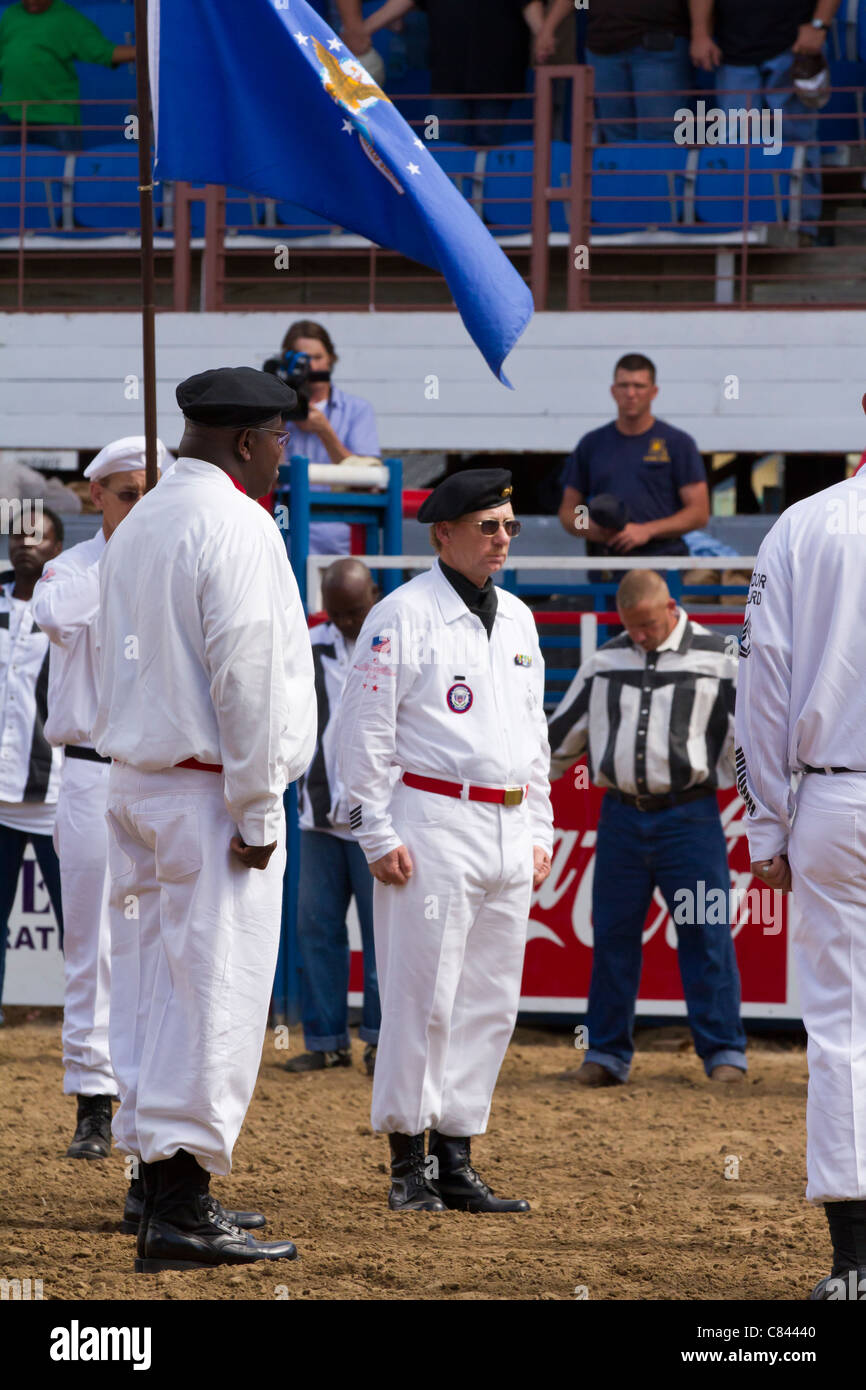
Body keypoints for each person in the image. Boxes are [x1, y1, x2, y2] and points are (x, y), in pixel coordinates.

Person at [93, 367, 316, 1273]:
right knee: (212, 995)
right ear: (244, 440)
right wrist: (260, 808)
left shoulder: (141, 517)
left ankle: (153, 1185)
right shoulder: (238, 522)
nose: (282, 457)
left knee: (151, 989)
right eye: (279, 440)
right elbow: (249, 677)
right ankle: (181, 1207)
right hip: (206, 793)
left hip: (137, 780)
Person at [340, 467, 553, 1213]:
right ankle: (408, 1163)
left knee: (490, 999)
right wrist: (374, 830)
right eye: (488, 526)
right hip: (431, 818)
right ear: (444, 533)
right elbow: (360, 734)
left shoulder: (520, 619)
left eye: (510, 526)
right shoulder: (401, 615)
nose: (502, 539)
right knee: (420, 997)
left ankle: (457, 1155)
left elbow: (535, 738)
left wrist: (540, 825)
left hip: (505, 820)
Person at [734, 393, 866, 1298]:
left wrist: (767, 822)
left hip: (835, 795)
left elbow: (762, 683)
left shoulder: (806, 525)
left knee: (844, 1029)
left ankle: (855, 1260)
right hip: (832, 793)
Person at [548, 569, 747, 1087]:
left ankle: (724, 1051)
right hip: (621, 816)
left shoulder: (720, 657)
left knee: (706, 934)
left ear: (672, 607)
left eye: (649, 625)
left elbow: (750, 743)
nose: (640, 635)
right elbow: (558, 739)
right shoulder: (605, 660)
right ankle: (605, 1055)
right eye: (632, 627)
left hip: (691, 817)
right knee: (612, 935)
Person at [31, 436, 165, 1160]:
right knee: (91, 941)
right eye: (127, 493)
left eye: (151, 492)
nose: (139, 505)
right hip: (87, 770)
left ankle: (148, 1097)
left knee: (157, 941)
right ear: (96, 497)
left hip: (158, 771)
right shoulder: (70, 566)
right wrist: (124, 550)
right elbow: (57, 617)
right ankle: (91, 1093)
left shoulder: (174, 562)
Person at [285, 558, 382, 1077]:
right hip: (318, 816)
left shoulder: (398, 643)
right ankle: (324, 1039)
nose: (347, 622)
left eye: (356, 611)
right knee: (315, 928)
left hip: (380, 820)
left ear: (376, 594)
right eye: (338, 613)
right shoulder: (307, 645)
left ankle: (380, 1040)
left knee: (382, 936)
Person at [690, 0, 840, 242]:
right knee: (737, 147)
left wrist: (819, 25)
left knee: (795, 141)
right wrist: (700, 33)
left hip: (794, 46)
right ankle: (741, 227)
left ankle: (801, 228)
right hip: (734, 51)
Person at [0, 506, 65, 1023]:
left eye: (38, 537)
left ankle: (92, 1037)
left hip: (56, 799)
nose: (25, 544)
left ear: (57, 549)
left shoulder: (69, 609)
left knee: (80, 927)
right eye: (19, 535)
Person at [557, 353, 710, 561]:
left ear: (654, 392)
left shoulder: (678, 444)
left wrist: (647, 530)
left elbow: (699, 512)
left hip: (663, 568)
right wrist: (592, 528)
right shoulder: (592, 444)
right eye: (623, 385)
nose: (630, 393)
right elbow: (570, 510)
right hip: (606, 572)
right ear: (613, 391)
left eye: (639, 386)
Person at [359, 0, 545, 146]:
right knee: (444, 143)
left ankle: (481, 194)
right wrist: (362, 30)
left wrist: (543, 34)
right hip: (448, 76)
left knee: (489, 146)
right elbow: (403, 3)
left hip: (497, 76)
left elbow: (529, 4)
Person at [280, 318, 381, 557]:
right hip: (286, 533)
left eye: (317, 358)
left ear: (331, 360)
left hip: (340, 537)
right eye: (302, 359)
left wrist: (325, 432)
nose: (311, 367)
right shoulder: (275, 413)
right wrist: (277, 424)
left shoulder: (357, 410)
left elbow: (368, 481)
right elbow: (266, 477)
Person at [536, 0, 694, 143]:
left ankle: (657, 176)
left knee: (659, 135)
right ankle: (622, 176)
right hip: (603, 46)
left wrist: (701, 33)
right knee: (615, 136)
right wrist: (548, 28)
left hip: (658, 43)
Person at [0, 0, 136, 151]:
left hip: (56, 116)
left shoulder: (68, 18)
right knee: (7, 172)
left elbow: (104, 51)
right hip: (12, 113)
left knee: (65, 171)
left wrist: (150, 51)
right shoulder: (10, 15)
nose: (32, 1)